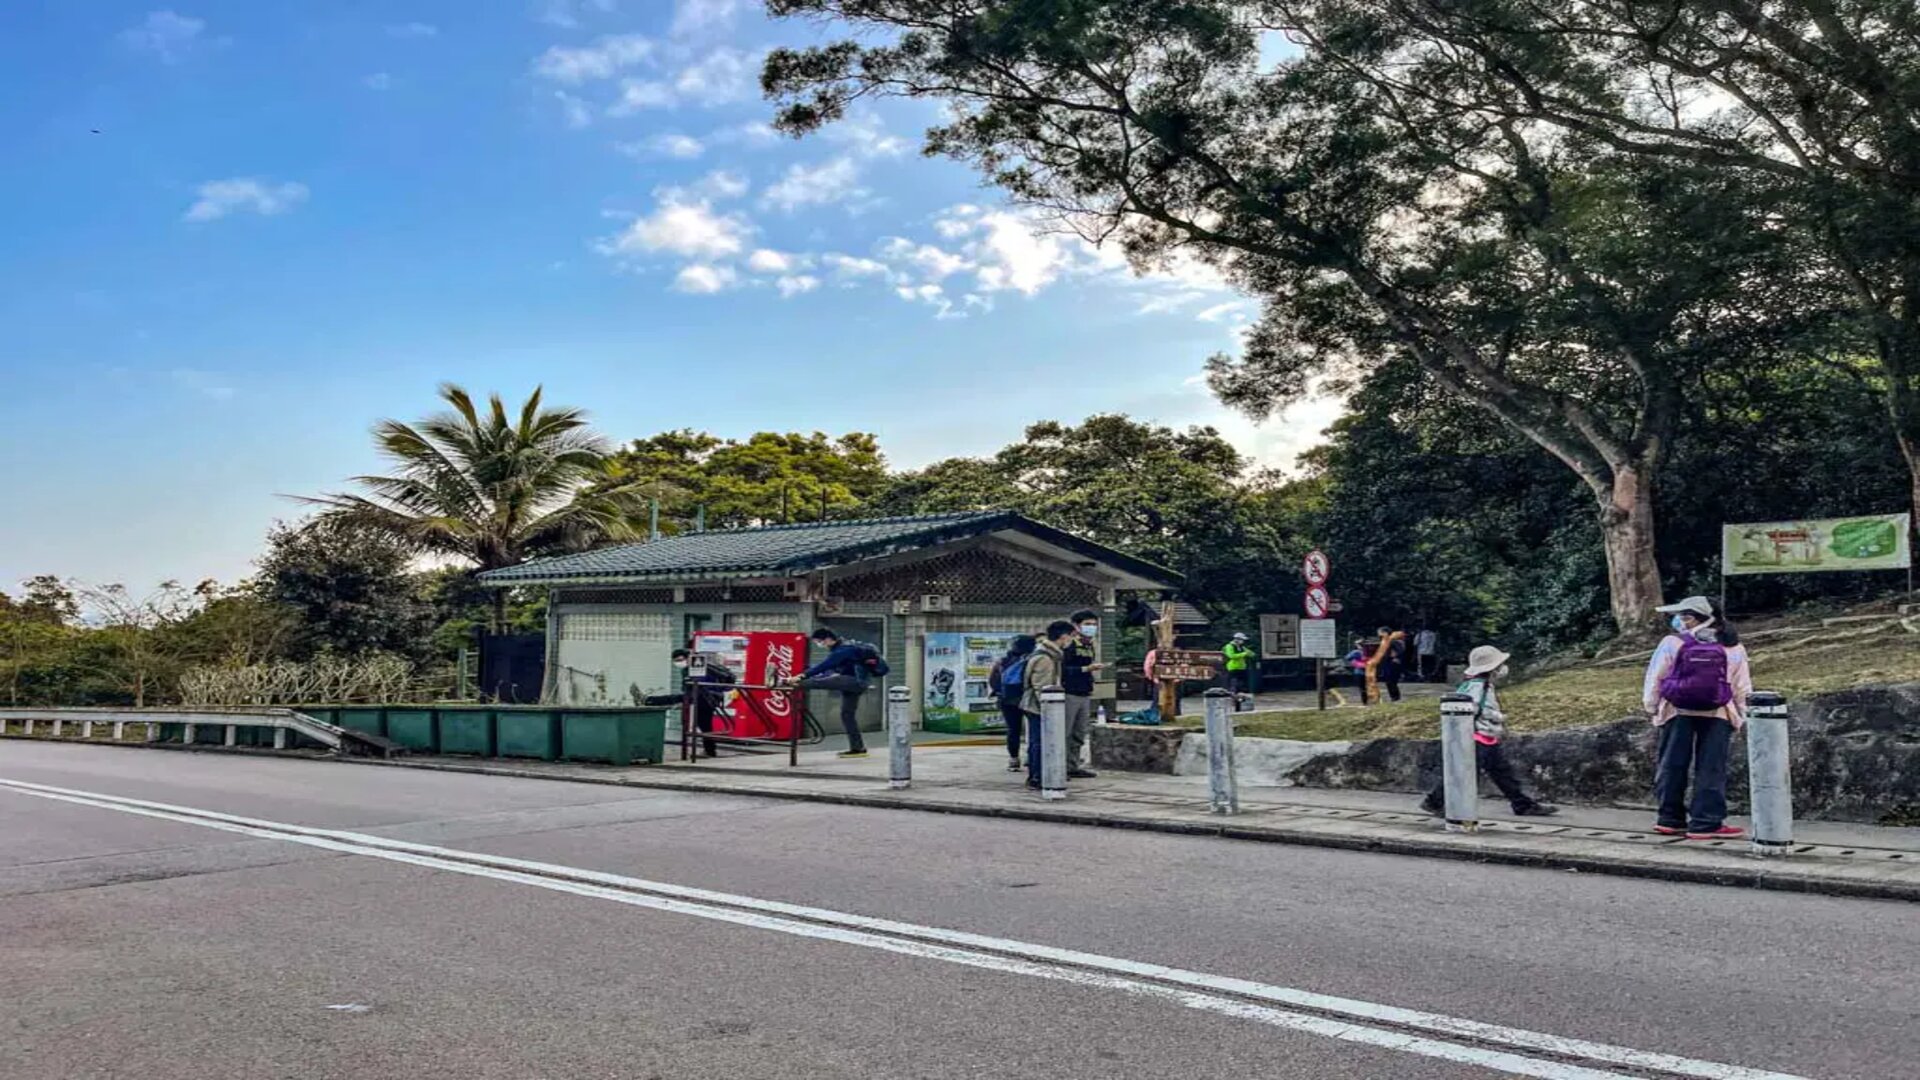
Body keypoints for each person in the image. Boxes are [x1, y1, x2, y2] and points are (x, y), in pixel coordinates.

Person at [1642, 596, 1752, 839]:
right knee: (1711, 768)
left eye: (1685, 616)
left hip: (1676, 710)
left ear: (1699, 618)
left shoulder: (1673, 642)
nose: (1680, 621)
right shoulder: (1732, 645)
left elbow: (1656, 676)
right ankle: (1706, 822)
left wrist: (1651, 707)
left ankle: (1669, 819)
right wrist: (1744, 715)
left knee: (1671, 764)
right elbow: (1741, 685)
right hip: (1718, 712)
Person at [1420, 646, 1558, 818]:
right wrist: (1498, 717)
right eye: (1500, 665)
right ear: (1492, 669)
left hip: (1482, 737)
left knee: (1499, 772)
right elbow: (1473, 708)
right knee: (1470, 773)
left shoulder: (1471, 684)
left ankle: (1521, 804)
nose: (1503, 669)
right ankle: (1435, 801)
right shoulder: (1480, 687)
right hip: (1479, 737)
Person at [793, 627, 885, 759]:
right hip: (856, 683)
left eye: (820, 641)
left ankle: (793, 684)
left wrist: (801, 677)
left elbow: (824, 665)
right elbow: (827, 668)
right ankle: (858, 748)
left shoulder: (843, 650)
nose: (819, 645)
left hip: (855, 682)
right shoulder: (842, 648)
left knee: (825, 681)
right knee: (847, 714)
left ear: (829, 639)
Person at [1019, 621, 1073, 790]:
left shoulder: (1049, 654)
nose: (1071, 640)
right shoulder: (1045, 657)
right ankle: (1037, 777)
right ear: (1063, 637)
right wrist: (1049, 709)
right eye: (1071, 636)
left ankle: (1039, 775)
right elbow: (1041, 687)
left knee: (1039, 741)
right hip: (1038, 707)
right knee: (1039, 742)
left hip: (1038, 706)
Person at [1059, 609, 1104, 778]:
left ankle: (1073, 765)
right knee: (1065, 732)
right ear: (1076, 626)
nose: (1092, 628)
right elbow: (1062, 670)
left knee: (1079, 733)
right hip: (1069, 692)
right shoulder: (1070, 645)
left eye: (1094, 624)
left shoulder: (1089, 644)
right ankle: (1059, 766)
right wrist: (1086, 669)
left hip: (1084, 692)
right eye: (1087, 624)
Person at [671, 646, 735, 758]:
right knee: (705, 725)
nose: (678, 663)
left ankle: (710, 751)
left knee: (705, 725)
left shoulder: (696, 668)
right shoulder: (697, 667)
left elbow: (697, 686)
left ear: (687, 658)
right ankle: (709, 750)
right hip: (706, 697)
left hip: (705, 698)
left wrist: (686, 698)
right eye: (676, 660)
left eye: (680, 660)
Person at [988, 635, 1037, 772]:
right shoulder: (1032, 660)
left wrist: (999, 692)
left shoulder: (1003, 661)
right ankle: (1032, 757)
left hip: (1007, 700)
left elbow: (993, 680)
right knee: (1033, 729)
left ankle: (1014, 760)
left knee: (1013, 730)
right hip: (1027, 698)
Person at [1369, 626, 1407, 703]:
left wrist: (1396, 657)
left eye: (1380, 632)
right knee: (1389, 681)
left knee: (1391, 681)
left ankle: (1395, 697)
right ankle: (1394, 697)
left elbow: (1400, 650)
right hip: (1387, 662)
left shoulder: (1393, 641)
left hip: (1392, 663)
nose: (1379, 634)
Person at [1222, 632, 1255, 705]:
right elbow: (1231, 656)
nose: (1243, 641)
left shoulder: (1241, 647)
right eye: (1242, 640)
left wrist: (1250, 654)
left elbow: (1251, 653)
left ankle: (1241, 699)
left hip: (1242, 668)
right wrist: (1243, 654)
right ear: (1237, 639)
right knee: (1234, 685)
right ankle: (1233, 700)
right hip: (1233, 668)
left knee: (1242, 685)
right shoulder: (1229, 646)